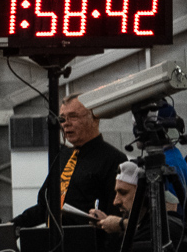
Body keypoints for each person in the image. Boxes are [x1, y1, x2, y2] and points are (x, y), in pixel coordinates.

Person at [13, 95, 126, 227]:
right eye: (62, 118)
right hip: (55, 243)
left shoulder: (113, 159)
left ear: (95, 119)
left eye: (73, 116)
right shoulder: (62, 156)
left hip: (89, 243)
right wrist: (11, 225)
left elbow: (116, 216)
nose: (66, 123)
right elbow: (45, 207)